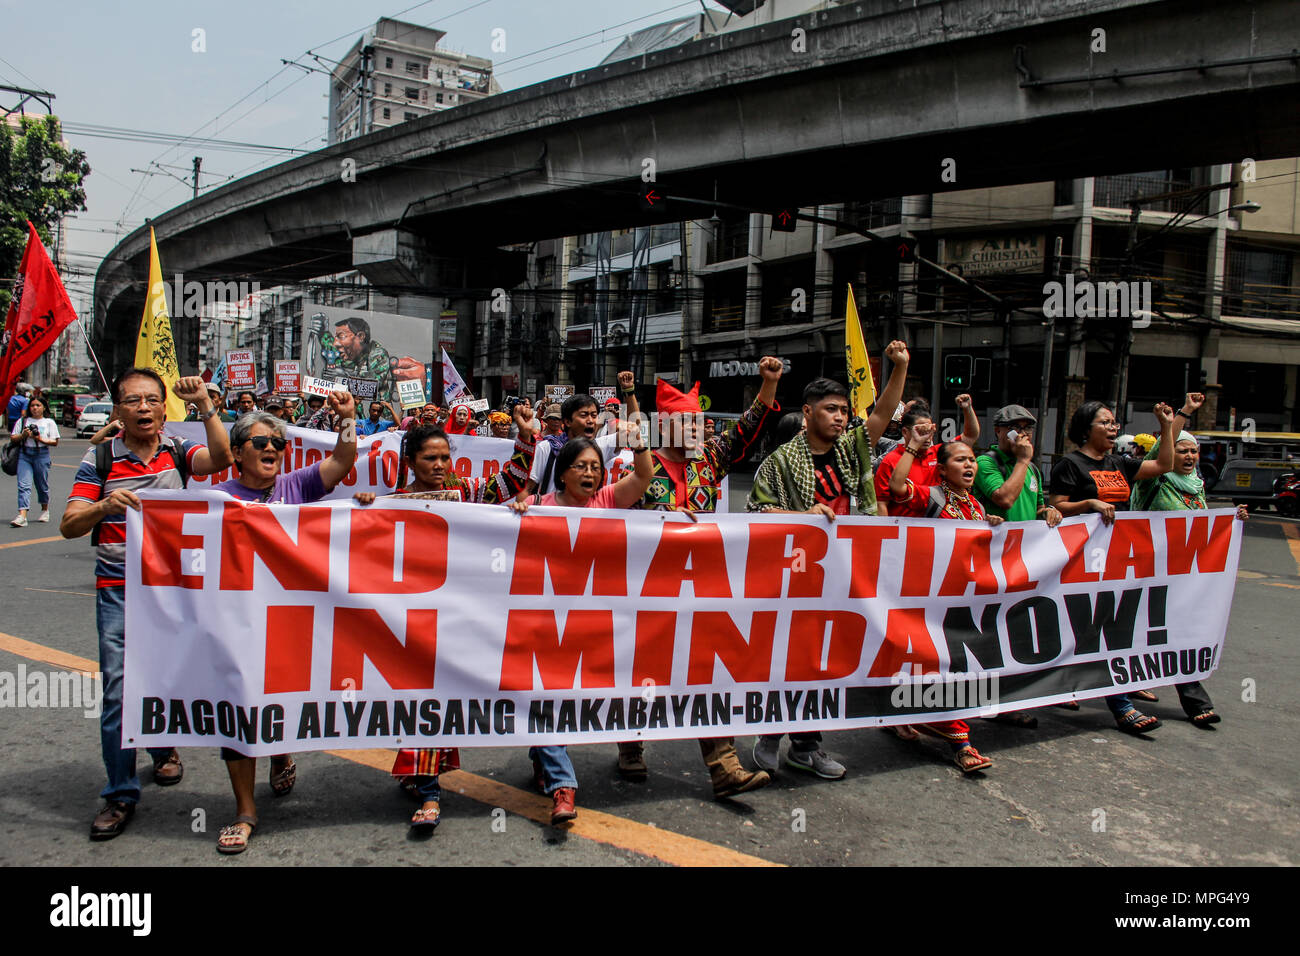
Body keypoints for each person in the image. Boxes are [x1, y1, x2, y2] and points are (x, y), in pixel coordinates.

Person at [61, 369, 234, 841]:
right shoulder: (99, 459)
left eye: (152, 400)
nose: (143, 408)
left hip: (172, 591)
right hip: (118, 590)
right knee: (118, 690)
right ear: (118, 410)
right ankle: (120, 793)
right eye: (133, 400)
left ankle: (162, 750)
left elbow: (221, 457)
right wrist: (103, 507)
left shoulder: (177, 450)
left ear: (163, 408)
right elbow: (70, 524)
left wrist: (205, 405)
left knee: (168, 679)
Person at [617, 359, 782, 798]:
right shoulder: (642, 466)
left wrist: (768, 383)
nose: (698, 429)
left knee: (707, 670)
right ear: (666, 426)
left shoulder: (710, 460)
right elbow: (612, 518)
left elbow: (748, 428)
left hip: (702, 589)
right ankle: (630, 743)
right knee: (642, 669)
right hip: (648, 589)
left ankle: (724, 767)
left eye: (699, 422)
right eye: (687, 423)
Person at [746, 341, 911, 778]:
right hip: (793, 580)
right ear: (808, 412)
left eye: (843, 410)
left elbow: (882, 413)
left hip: (844, 577)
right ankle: (769, 732)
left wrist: (899, 367)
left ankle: (806, 746)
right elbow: (758, 514)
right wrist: (804, 517)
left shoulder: (851, 450)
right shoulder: (780, 463)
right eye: (830, 409)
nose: (839, 417)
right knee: (787, 660)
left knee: (823, 663)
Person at [375, 402, 538, 830]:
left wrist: (525, 436)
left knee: (434, 698)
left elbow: (510, 482)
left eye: (445, 457)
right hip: (408, 618)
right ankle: (423, 782)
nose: (440, 465)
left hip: (454, 618)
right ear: (410, 461)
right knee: (417, 698)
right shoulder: (393, 503)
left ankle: (427, 789)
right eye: (430, 458)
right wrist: (363, 506)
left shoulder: (464, 491)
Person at [209, 391, 358, 854]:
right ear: (237, 453)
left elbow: (341, 461)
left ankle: (280, 750)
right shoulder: (216, 500)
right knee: (238, 705)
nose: (272, 448)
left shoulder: (296, 485)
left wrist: (348, 418)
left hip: (291, 618)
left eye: (278, 442)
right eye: (260, 442)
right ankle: (245, 811)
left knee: (280, 694)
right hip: (238, 620)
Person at [509, 423, 653, 824]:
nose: (590, 473)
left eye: (595, 467)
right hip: (545, 625)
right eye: (581, 466)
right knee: (545, 698)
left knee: (566, 701)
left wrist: (638, 439)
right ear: (563, 473)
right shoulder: (539, 505)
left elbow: (643, 476)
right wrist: (515, 514)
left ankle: (543, 758)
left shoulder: (607, 500)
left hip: (593, 624)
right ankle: (563, 786)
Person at [1048, 398, 1176, 735]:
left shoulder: (1119, 462)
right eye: (1104, 422)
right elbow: (1056, 507)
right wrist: (1089, 503)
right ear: (1086, 428)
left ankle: (1103, 693)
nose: (1113, 427)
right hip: (1084, 561)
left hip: (1119, 560)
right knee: (1093, 628)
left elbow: (1164, 464)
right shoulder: (1070, 465)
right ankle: (1120, 705)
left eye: (1114, 423)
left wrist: (1166, 426)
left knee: (1112, 627)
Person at [885, 433, 1000, 771]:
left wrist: (992, 526)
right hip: (929, 599)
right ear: (943, 470)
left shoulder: (976, 506)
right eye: (960, 460)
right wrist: (912, 447)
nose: (970, 464)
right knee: (937, 665)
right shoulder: (931, 496)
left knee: (955, 667)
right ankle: (961, 743)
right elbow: (896, 487)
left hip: (963, 603)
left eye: (972, 459)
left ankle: (905, 714)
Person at [1129, 427, 1248, 727]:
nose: (1190, 456)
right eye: (1182, 451)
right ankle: (1189, 701)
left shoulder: (1196, 486)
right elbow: (1158, 454)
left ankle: (1187, 698)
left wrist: (1233, 518)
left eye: (1193, 451)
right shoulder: (1153, 480)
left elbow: (1203, 524)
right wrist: (1175, 419)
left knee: (1176, 633)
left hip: (1183, 578)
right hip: (1147, 574)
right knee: (1145, 631)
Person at [518, 385, 640, 500]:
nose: (590, 420)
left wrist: (629, 391)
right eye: (584, 415)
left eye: (594, 415)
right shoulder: (547, 448)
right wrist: (521, 509)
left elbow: (633, 429)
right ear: (567, 421)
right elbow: (527, 488)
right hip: (552, 514)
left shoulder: (599, 447)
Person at [875, 395, 980, 515]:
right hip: (904, 525)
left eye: (929, 431)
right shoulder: (890, 460)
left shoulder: (940, 453)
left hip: (939, 522)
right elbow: (881, 503)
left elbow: (970, 436)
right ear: (905, 432)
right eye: (921, 431)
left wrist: (967, 409)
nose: (926, 437)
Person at [9, 394, 60, 526]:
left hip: (41, 455)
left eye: (38, 405)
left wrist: (39, 438)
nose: (35, 408)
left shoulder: (49, 422)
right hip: (25, 454)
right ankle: (22, 516)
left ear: (44, 407)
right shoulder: (23, 421)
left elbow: (55, 442)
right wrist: (23, 435)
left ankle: (45, 510)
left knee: (42, 485)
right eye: (32, 405)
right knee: (23, 486)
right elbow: (13, 438)